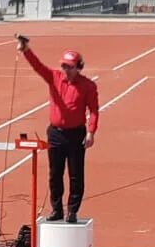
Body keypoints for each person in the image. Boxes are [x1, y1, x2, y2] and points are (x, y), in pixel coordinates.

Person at [16, 34, 100, 223]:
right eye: (63, 66)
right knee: (55, 174)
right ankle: (56, 209)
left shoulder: (88, 86)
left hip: (76, 134)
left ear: (78, 67)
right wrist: (26, 49)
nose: (65, 70)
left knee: (76, 174)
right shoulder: (54, 77)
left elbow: (93, 110)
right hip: (55, 133)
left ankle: (72, 211)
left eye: (69, 67)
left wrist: (90, 132)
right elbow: (38, 66)